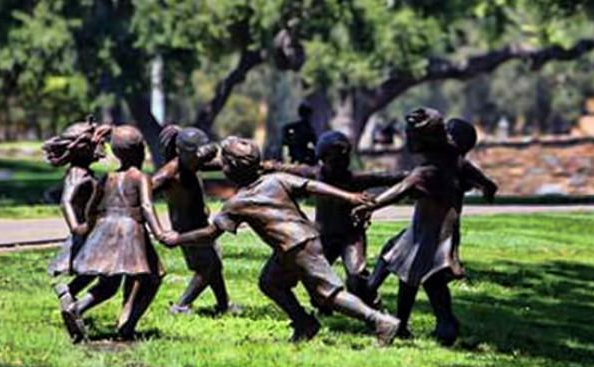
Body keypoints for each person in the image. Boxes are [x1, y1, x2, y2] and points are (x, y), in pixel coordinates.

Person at [161, 137, 402, 345]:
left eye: (223, 163)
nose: (221, 167)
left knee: (328, 294)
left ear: (232, 168)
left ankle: (380, 321)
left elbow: (211, 233)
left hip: (298, 247)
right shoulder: (275, 180)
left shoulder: (238, 203)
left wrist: (178, 238)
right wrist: (347, 196)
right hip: (295, 245)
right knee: (270, 282)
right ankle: (304, 323)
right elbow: (311, 186)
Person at [355, 109, 495, 346]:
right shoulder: (458, 164)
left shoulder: (429, 171)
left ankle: (435, 324)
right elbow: (486, 183)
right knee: (413, 276)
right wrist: (487, 189)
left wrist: (370, 206)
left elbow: (401, 189)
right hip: (428, 233)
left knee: (423, 280)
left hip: (429, 236)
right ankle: (416, 322)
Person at [264, 130, 405, 303]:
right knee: (314, 275)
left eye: (344, 160)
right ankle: (323, 303)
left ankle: (372, 305)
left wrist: (419, 175)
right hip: (324, 237)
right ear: (322, 159)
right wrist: (264, 166)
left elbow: (388, 178)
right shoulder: (313, 175)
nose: (340, 164)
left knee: (356, 276)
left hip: (351, 237)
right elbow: (280, 169)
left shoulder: (356, 179)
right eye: (335, 160)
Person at [63, 125, 167, 341]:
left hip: (106, 230)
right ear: (140, 151)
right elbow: (147, 206)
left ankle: (77, 309)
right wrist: (160, 233)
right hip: (131, 231)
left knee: (109, 283)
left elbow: (92, 206)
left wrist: (86, 228)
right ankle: (127, 326)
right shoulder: (141, 177)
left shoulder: (107, 178)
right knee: (154, 277)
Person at [42, 119, 111, 342]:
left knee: (92, 273)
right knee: (110, 281)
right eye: (96, 146)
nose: (101, 151)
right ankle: (76, 309)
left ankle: (67, 292)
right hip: (89, 233)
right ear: (83, 149)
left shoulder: (82, 171)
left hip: (94, 232)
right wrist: (76, 227)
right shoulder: (78, 174)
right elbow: (66, 202)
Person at [151, 125, 232, 316]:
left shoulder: (192, 163)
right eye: (197, 156)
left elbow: (215, 160)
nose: (201, 160)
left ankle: (223, 305)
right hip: (187, 229)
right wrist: (158, 231)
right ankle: (180, 306)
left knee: (214, 265)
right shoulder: (169, 173)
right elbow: (144, 195)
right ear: (181, 152)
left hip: (199, 224)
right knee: (207, 267)